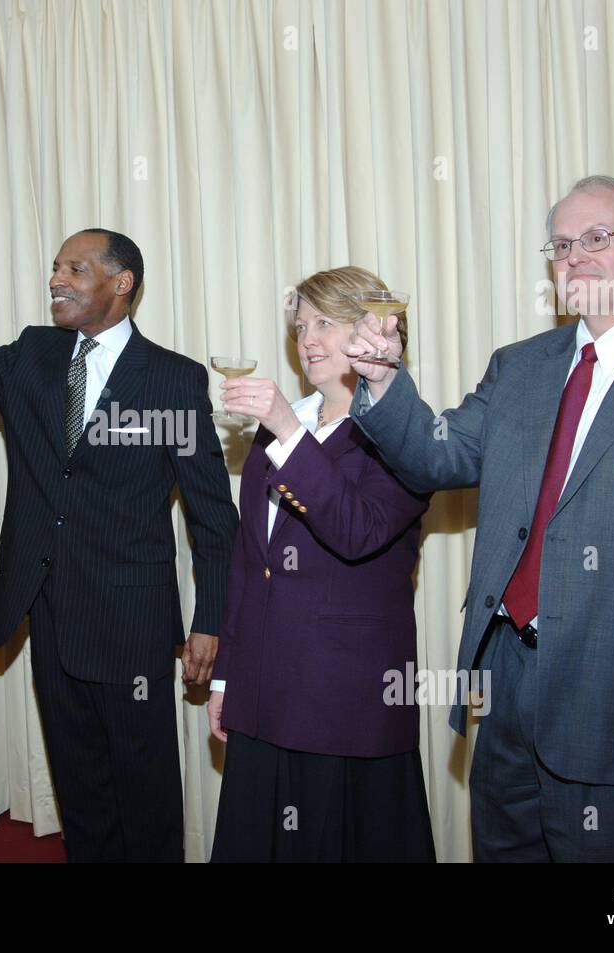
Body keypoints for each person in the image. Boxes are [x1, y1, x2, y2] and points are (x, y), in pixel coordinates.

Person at [346, 175, 614, 861]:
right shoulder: (519, 367)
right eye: (559, 245)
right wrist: (382, 381)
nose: (573, 258)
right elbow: (440, 457)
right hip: (504, 692)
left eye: (594, 239)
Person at [0, 229, 239, 862]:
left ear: (121, 283)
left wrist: (213, 622)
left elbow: (214, 518)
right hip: (49, 609)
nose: (57, 279)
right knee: (78, 786)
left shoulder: (173, 379)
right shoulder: (32, 354)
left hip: (131, 619)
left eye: (76, 269)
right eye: (55, 267)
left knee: (144, 790)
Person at [208, 268, 435, 862]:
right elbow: (247, 560)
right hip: (263, 687)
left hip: (345, 698)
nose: (308, 338)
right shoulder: (287, 426)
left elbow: (358, 533)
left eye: (326, 323)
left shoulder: (406, 431)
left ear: (376, 329)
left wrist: (285, 428)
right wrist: (227, 677)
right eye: (302, 324)